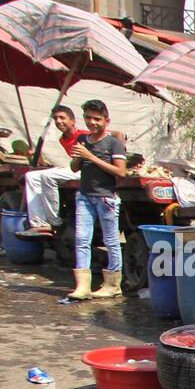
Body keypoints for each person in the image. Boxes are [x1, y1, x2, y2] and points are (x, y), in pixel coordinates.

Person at [65, 100, 127, 302]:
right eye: (89, 118)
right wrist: (79, 155)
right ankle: (82, 286)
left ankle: (112, 285)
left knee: (111, 240)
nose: (92, 122)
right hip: (85, 196)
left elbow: (120, 171)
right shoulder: (83, 140)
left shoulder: (113, 143)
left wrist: (90, 156)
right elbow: (75, 168)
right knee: (82, 239)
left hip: (106, 197)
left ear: (106, 121)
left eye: (97, 119)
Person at [17, 105, 84, 238]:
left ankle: (54, 222)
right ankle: (39, 224)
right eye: (56, 118)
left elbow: (115, 134)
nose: (58, 121)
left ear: (73, 121)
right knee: (31, 176)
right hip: (75, 168)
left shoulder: (83, 135)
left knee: (48, 176)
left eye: (62, 118)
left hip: (88, 170)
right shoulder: (63, 139)